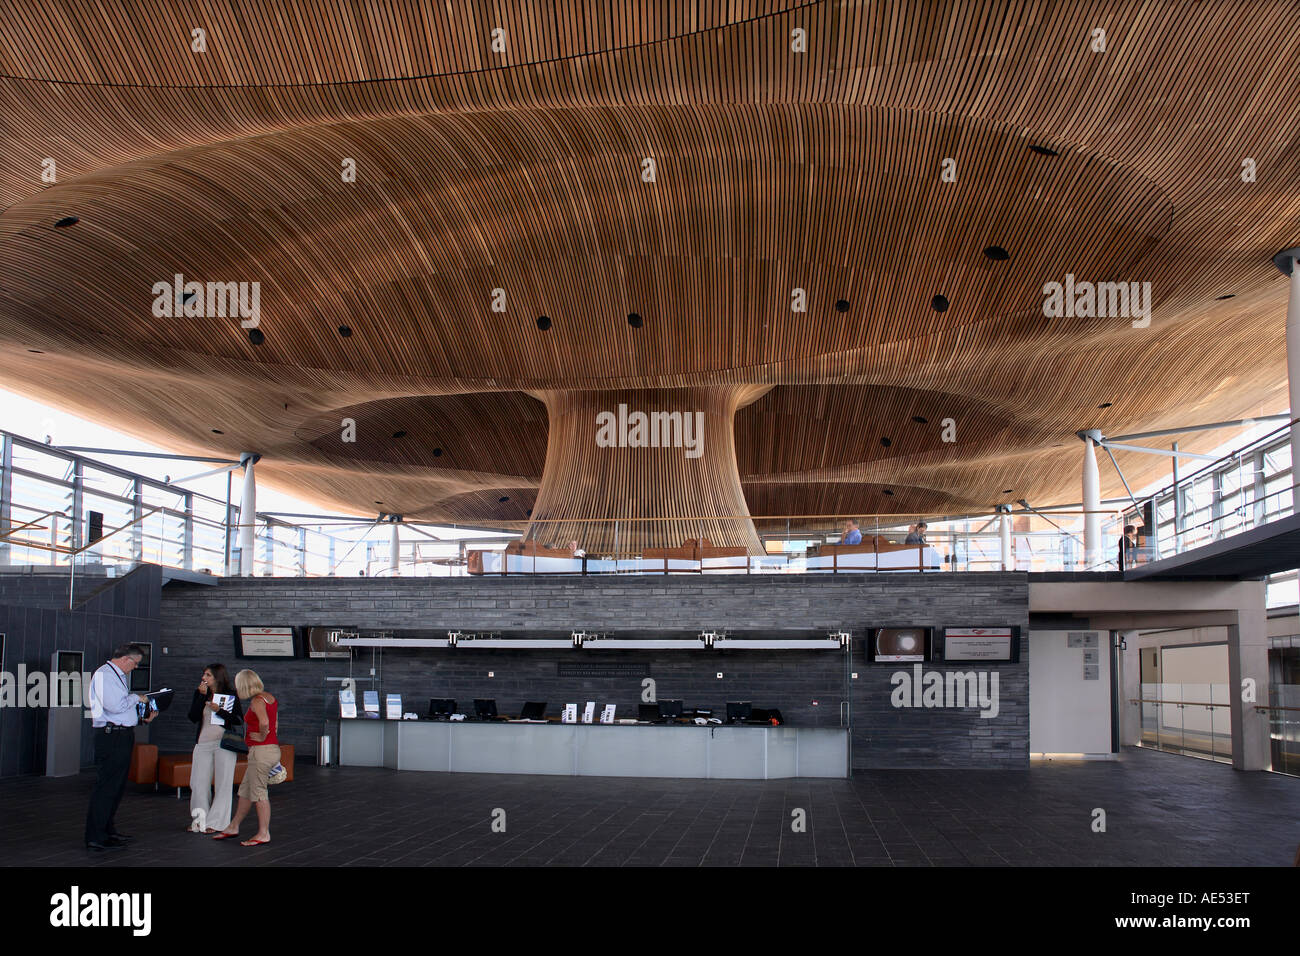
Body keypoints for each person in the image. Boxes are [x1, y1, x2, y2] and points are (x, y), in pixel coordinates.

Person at [85, 643, 156, 851]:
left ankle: (107, 831)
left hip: (120, 735)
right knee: (107, 788)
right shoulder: (105, 675)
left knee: (115, 788)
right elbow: (115, 706)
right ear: (125, 659)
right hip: (111, 737)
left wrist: (142, 718)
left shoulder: (117, 676)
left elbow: (121, 709)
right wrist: (138, 697)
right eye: (135, 664)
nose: (135, 668)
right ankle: (96, 836)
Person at [215, 669, 280, 846]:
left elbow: (265, 722)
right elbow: (273, 722)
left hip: (261, 751)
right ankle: (233, 826)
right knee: (245, 791)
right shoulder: (268, 697)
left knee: (259, 792)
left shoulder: (257, 701)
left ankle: (263, 833)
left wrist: (261, 736)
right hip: (267, 750)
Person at [187, 663, 243, 834]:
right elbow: (193, 717)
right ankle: (199, 821)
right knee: (198, 783)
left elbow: (238, 720)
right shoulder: (200, 693)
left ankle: (217, 822)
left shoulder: (230, 694)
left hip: (223, 743)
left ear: (217, 677)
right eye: (204, 674)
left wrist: (219, 710)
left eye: (208, 675)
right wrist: (202, 698)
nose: (204, 678)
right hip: (203, 743)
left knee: (223, 783)